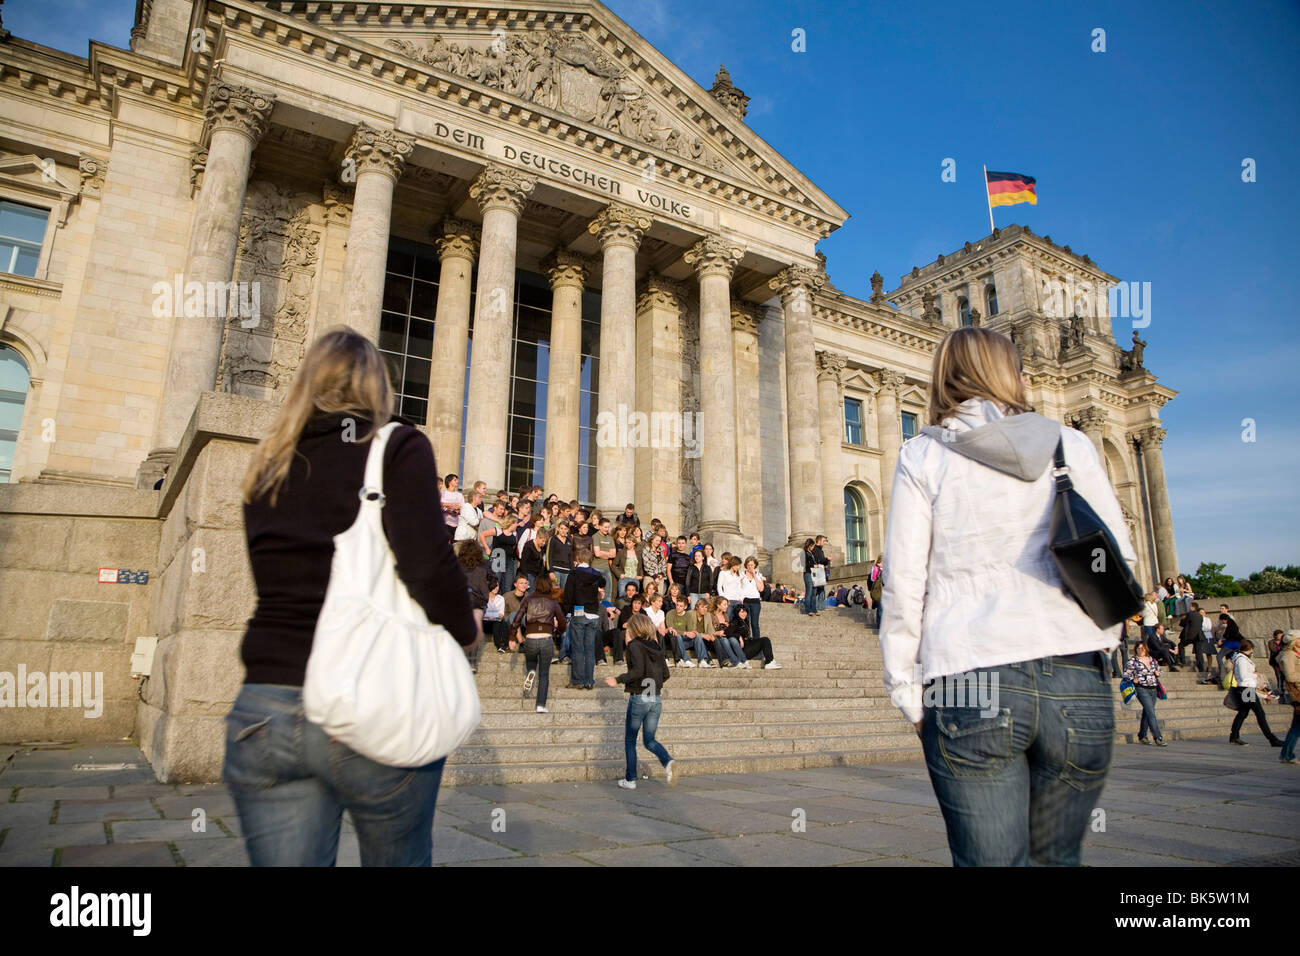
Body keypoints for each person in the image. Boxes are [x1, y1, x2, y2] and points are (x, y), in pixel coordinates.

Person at [879, 326, 1135, 867]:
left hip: (967, 676)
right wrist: (1097, 643)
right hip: (1076, 676)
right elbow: (1118, 563)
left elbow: (904, 584)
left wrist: (906, 689)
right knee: (1057, 859)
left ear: (944, 376)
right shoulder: (1072, 444)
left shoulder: (924, 453)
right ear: (1013, 375)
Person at [229, 326, 478, 867]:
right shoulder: (396, 444)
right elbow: (430, 568)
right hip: (372, 693)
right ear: (377, 386)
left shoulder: (267, 465)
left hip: (264, 706)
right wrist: (467, 630)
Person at [605, 614, 675, 789]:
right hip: (655, 698)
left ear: (634, 628)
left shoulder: (634, 646)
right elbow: (666, 674)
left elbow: (637, 671)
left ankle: (630, 779)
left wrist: (618, 679)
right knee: (649, 740)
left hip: (640, 697)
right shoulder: (656, 646)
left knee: (630, 740)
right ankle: (668, 762)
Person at [516, 575, 566, 714]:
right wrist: (557, 633)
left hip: (530, 638)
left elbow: (517, 618)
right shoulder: (553, 602)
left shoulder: (528, 599)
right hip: (546, 638)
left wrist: (511, 636)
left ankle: (531, 671)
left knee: (531, 661)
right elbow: (562, 623)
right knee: (544, 674)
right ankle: (540, 705)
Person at [559, 547, 604, 690]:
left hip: (579, 611)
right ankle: (589, 680)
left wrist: (566, 612)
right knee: (589, 649)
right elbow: (603, 584)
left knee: (578, 648)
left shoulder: (574, 574)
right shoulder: (597, 574)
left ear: (578, 559)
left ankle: (577, 680)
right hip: (594, 614)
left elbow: (568, 595)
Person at [1228, 640, 1284, 747]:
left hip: (1246, 689)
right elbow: (1244, 676)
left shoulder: (1242, 658)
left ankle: (1234, 736)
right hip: (1246, 689)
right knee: (1260, 714)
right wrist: (1255, 675)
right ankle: (1272, 739)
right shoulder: (1242, 660)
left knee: (1243, 713)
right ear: (1250, 649)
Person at [1123, 642, 1166, 746]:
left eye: (1142, 648)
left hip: (1153, 688)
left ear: (1146, 649)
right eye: (1138, 648)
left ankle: (1142, 735)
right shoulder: (1132, 661)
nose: (1140, 650)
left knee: (1147, 712)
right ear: (1136, 650)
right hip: (1141, 688)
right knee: (1151, 712)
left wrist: (1158, 673)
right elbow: (1126, 674)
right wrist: (1134, 679)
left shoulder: (1152, 659)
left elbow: (1160, 670)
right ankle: (1158, 737)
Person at [1277, 631, 1300, 764]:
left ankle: (1286, 754)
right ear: (1293, 640)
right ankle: (1286, 754)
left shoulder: (1295, 654)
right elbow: (1290, 676)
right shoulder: (1288, 656)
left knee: (1296, 727)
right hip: (1297, 693)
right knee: (1296, 727)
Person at [665, 595, 706, 667]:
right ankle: (686, 660)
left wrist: (693, 632)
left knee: (698, 636)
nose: (678, 607)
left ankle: (702, 661)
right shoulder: (670, 613)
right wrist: (685, 633)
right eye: (677, 605)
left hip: (684, 640)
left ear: (685, 607)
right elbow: (671, 630)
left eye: (681, 606)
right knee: (677, 636)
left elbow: (690, 630)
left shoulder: (688, 615)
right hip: (673, 642)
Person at [500, 574, 529, 653]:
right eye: (521, 583)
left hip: (523, 621)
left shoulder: (529, 597)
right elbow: (503, 613)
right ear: (515, 584)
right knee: (514, 615)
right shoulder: (506, 596)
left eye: (526, 583)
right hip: (509, 621)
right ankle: (522, 643)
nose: (524, 585)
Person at [591, 517, 617, 597]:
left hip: (606, 568)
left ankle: (607, 609)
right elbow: (597, 554)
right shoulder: (595, 537)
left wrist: (602, 553)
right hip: (596, 568)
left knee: (608, 593)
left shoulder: (610, 538)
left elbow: (613, 554)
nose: (607, 529)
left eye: (608, 527)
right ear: (599, 527)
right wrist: (608, 553)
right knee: (595, 592)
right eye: (605, 527)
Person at [545, 519, 573, 590]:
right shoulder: (553, 539)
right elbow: (548, 555)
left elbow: (570, 556)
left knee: (564, 592)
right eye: (561, 528)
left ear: (568, 530)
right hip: (556, 570)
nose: (563, 531)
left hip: (566, 571)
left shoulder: (569, 540)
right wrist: (550, 571)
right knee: (555, 591)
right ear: (558, 529)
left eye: (565, 529)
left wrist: (572, 570)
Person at [812, 536, 832, 613]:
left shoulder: (820, 550)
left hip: (820, 571)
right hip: (817, 572)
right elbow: (819, 560)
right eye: (823, 541)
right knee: (818, 590)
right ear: (819, 541)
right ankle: (817, 607)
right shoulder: (815, 549)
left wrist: (826, 560)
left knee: (822, 589)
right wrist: (827, 559)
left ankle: (821, 607)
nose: (824, 543)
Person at [800, 538, 820, 616]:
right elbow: (803, 564)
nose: (813, 548)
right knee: (809, 591)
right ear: (809, 545)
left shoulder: (812, 553)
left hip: (814, 574)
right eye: (812, 546)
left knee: (814, 592)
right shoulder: (804, 553)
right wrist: (813, 566)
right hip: (808, 573)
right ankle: (808, 609)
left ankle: (814, 609)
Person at [869, 555, 884, 627]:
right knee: (880, 608)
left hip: (885, 590)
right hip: (879, 590)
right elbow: (872, 579)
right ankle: (880, 625)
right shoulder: (875, 568)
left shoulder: (886, 568)